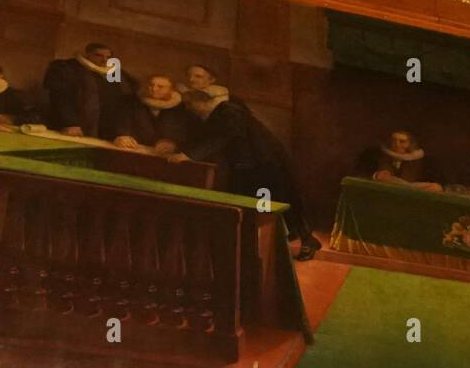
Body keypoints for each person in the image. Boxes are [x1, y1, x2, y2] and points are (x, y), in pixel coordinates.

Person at [178, 84, 320, 258]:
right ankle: (264, 243)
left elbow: (222, 137)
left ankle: (303, 241)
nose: (191, 109)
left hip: (264, 165)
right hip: (249, 166)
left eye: (193, 104)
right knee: (257, 204)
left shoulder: (228, 111)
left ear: (204, 102)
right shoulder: (218, 113)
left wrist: (191, 155)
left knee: (268, 203)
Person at [43, 41, 135, 140]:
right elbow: (60, 97)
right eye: (99, 56)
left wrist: (121, 133)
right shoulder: (68, 68)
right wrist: (70, 123)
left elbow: (118, 106)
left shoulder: (113, 76)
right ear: (88, 54)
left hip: (99, 131)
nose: (104, 60)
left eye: (107, 57)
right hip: (70, 128)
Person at [113, 73, 188, 155]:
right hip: (132, 151)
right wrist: (122, 136)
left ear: (172, 90)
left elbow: (183, 135)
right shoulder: (131, 102)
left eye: (160, 87)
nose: (154, 89)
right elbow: (121, 124)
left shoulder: (180, 109)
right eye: (151, 85)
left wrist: (173, 144)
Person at [358, 129, 443, 191]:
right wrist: (376, 176)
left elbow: (433, 181)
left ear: (410, 144)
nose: (397, 145)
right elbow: (362, 174)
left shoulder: (422, 161)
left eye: (402, 142)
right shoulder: (378, 155)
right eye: (393, 141)